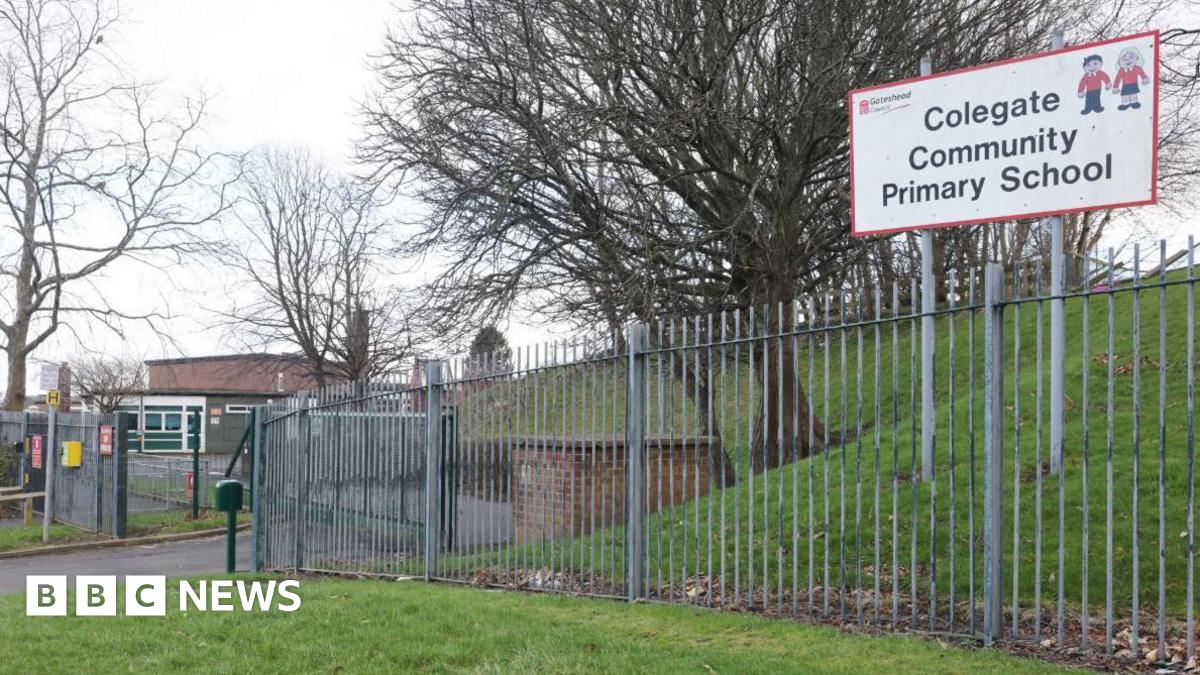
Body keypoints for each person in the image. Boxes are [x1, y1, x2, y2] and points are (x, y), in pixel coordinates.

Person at [1111, 46, 1150, 110]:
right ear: (1119, 62)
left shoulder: (1137, 68)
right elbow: (1117, 79)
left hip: (1134, 84)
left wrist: (1144, 78)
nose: (1128, 60)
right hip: (1125, 85)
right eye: (1124, 59)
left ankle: (1134, 102)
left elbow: (1142, 73)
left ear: (1137, 58)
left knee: (1133, 94)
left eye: (1131, 57)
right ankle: (1125, 104)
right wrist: (1115, 87)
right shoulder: (1121, 71)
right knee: (1125, 95)